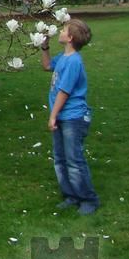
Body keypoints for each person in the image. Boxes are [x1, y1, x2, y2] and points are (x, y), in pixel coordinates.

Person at [40, 20, 100, 215]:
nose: (60, 30)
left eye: (64, 29)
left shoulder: (74, 61)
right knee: (60, 158)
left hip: (73, 117)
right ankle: (71, 195)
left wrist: (53, 115)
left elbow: (64, 91)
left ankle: (88, 199)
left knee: (74, 160)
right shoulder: (64, 57)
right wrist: (44, 45)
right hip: (62, 116)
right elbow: (47, 65)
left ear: (70, 38)